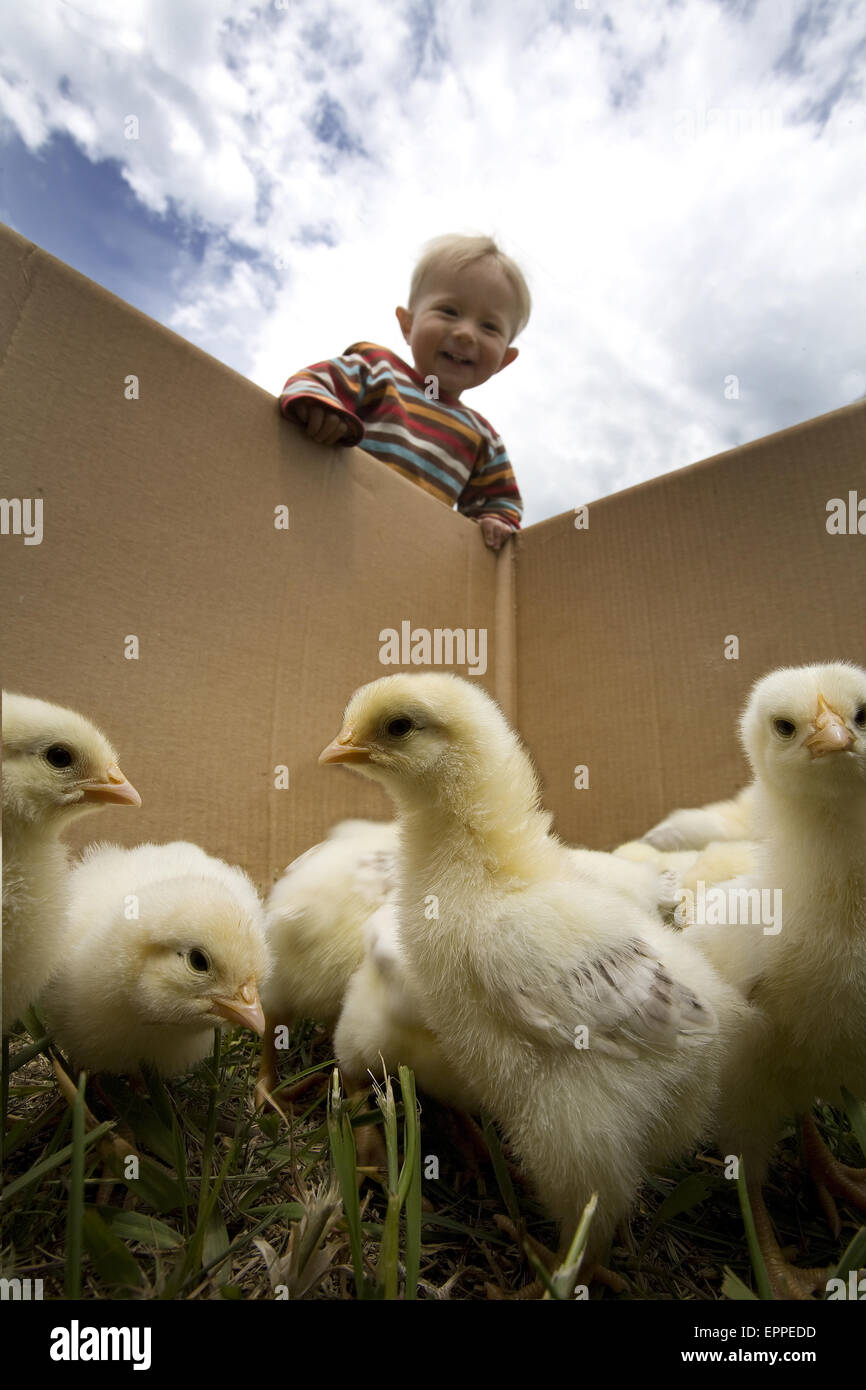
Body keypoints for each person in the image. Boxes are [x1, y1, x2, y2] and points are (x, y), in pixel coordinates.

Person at [279, 234, 530, 550]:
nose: (466, 333)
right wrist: (320, 410)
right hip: (330, 529)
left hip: (406, 559)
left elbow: (498, 503)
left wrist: (494, 524)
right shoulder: (376, 369)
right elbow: (311, 382)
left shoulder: (483, 438)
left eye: (489, 327)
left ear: (504, 360)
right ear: (408, 325)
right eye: (449, 311)